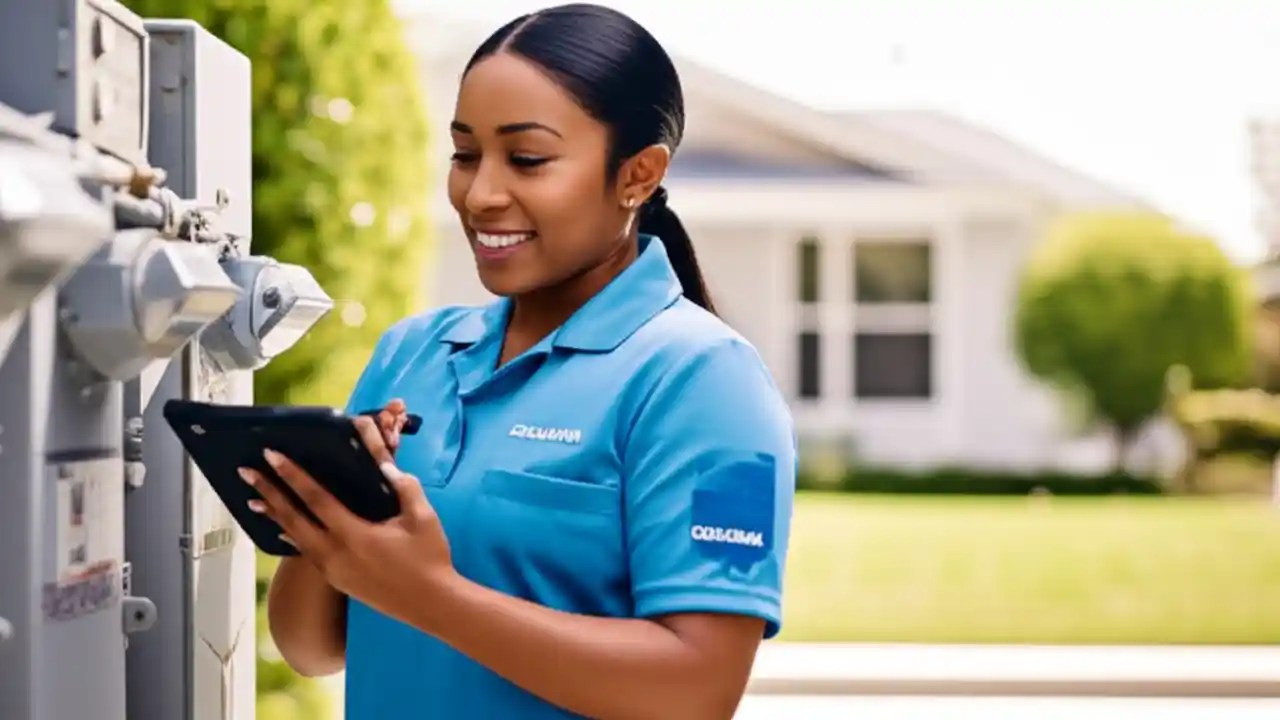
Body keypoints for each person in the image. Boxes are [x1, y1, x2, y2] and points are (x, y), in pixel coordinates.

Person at [242, 4, 797, 718]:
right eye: (465, 154)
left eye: (527, 159)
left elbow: (697, 690)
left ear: (637, 174)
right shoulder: (412, 353)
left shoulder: (706, 380)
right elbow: (311, 647)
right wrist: (328, 525)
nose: (480, 195)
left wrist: (429, 594)